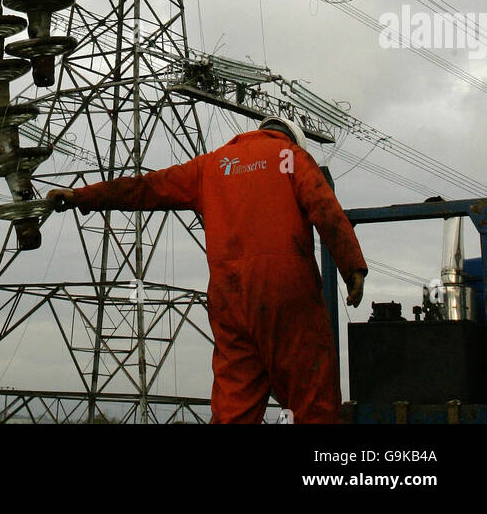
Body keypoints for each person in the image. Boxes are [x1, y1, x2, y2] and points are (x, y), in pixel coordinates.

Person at [47, 116, 367, 424]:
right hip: (289, 296)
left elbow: (146, 188)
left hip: (231, 302)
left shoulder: (211, 165)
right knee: (312, 401)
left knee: (233, 407)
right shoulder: (292, 157)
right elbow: (325, 209)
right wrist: (351, 266)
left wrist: (81, 196)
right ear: (293, 140)